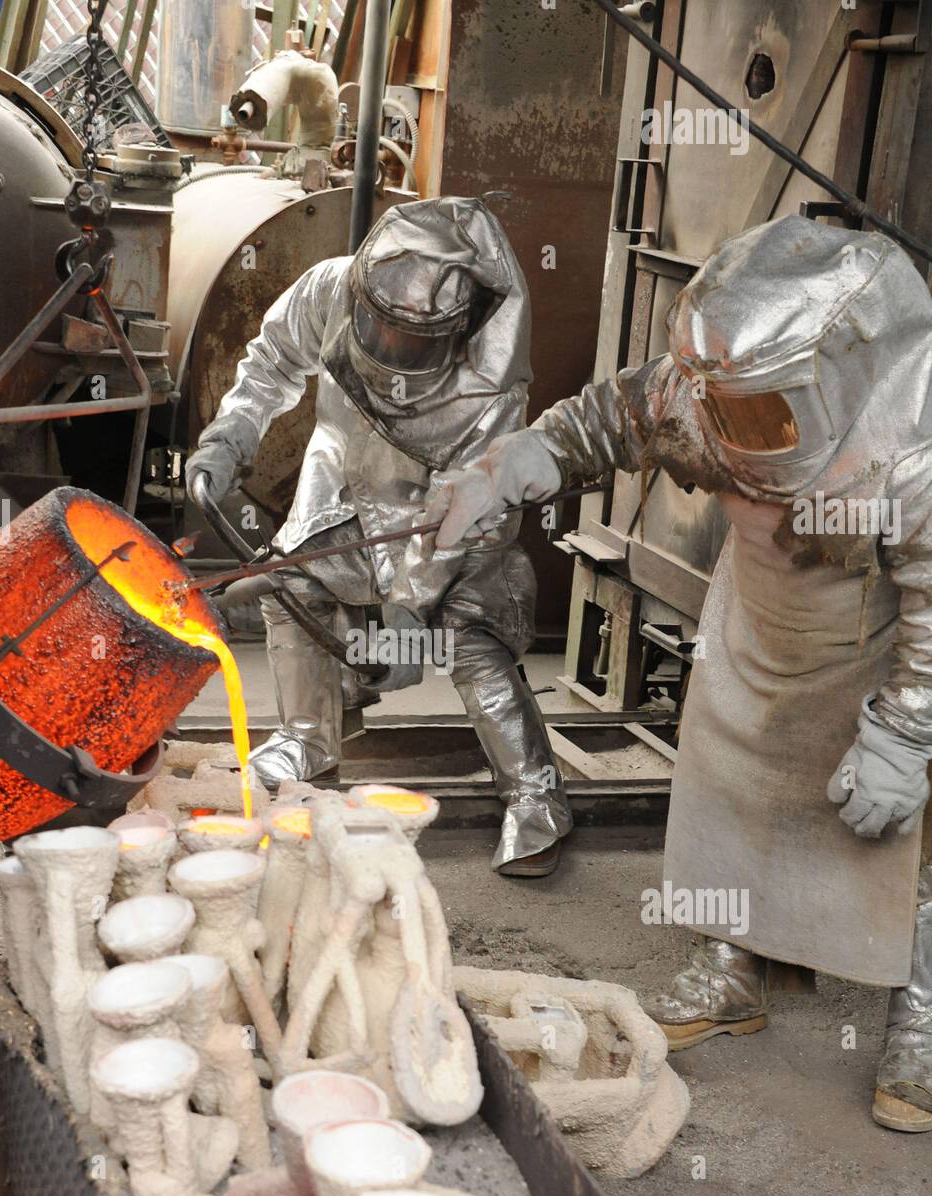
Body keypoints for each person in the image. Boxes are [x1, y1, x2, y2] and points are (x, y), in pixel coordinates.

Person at [427, 214, 932, 1129]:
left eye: (760, 413)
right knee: (736, 784)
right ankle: (734, 968)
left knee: (910, 834)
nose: (730, 432)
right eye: (720, 406)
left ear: (840, 378)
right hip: (760, 616)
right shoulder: (712, 387)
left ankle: (924, 1023)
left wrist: (904, 732)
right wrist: (509, 466)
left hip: (887, 639)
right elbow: (602, 423)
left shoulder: (915, 435)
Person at [187, 196, 572, 876]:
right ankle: (310, 734)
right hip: (344, 471)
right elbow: (273, 359)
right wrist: (230, 435)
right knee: (290, 584)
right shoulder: (333, 289)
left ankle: (533, 796)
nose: (388, 349)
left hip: (447, 516)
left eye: (412, 341)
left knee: (469, 637)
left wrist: (404, 614)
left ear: (462, 325)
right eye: (378, 326)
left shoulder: (492, 386)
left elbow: (455, 517)